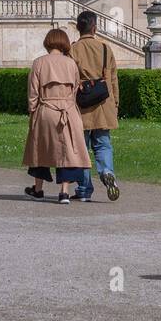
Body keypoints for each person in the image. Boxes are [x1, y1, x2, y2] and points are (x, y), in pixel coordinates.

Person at [23, 28, 91, 204]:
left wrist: (32, 110)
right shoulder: (71, 64)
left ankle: (38, 189)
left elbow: (33, 92)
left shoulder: (39, 63)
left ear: (47, 42)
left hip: (46, 109)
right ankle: (64, 192)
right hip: (67, 111)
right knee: (67, 151)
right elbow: (75, 89)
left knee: (40, 149)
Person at [69, 11, 122, 203]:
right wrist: (115, 102)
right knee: (103, 143)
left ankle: (84, 189)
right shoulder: (105, 48)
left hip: (82, 102)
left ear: (78, 28)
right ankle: (107, 171)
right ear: (94, 28)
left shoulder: (73, 49)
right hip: (103, 101)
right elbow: (113, 78)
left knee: (81, 148)